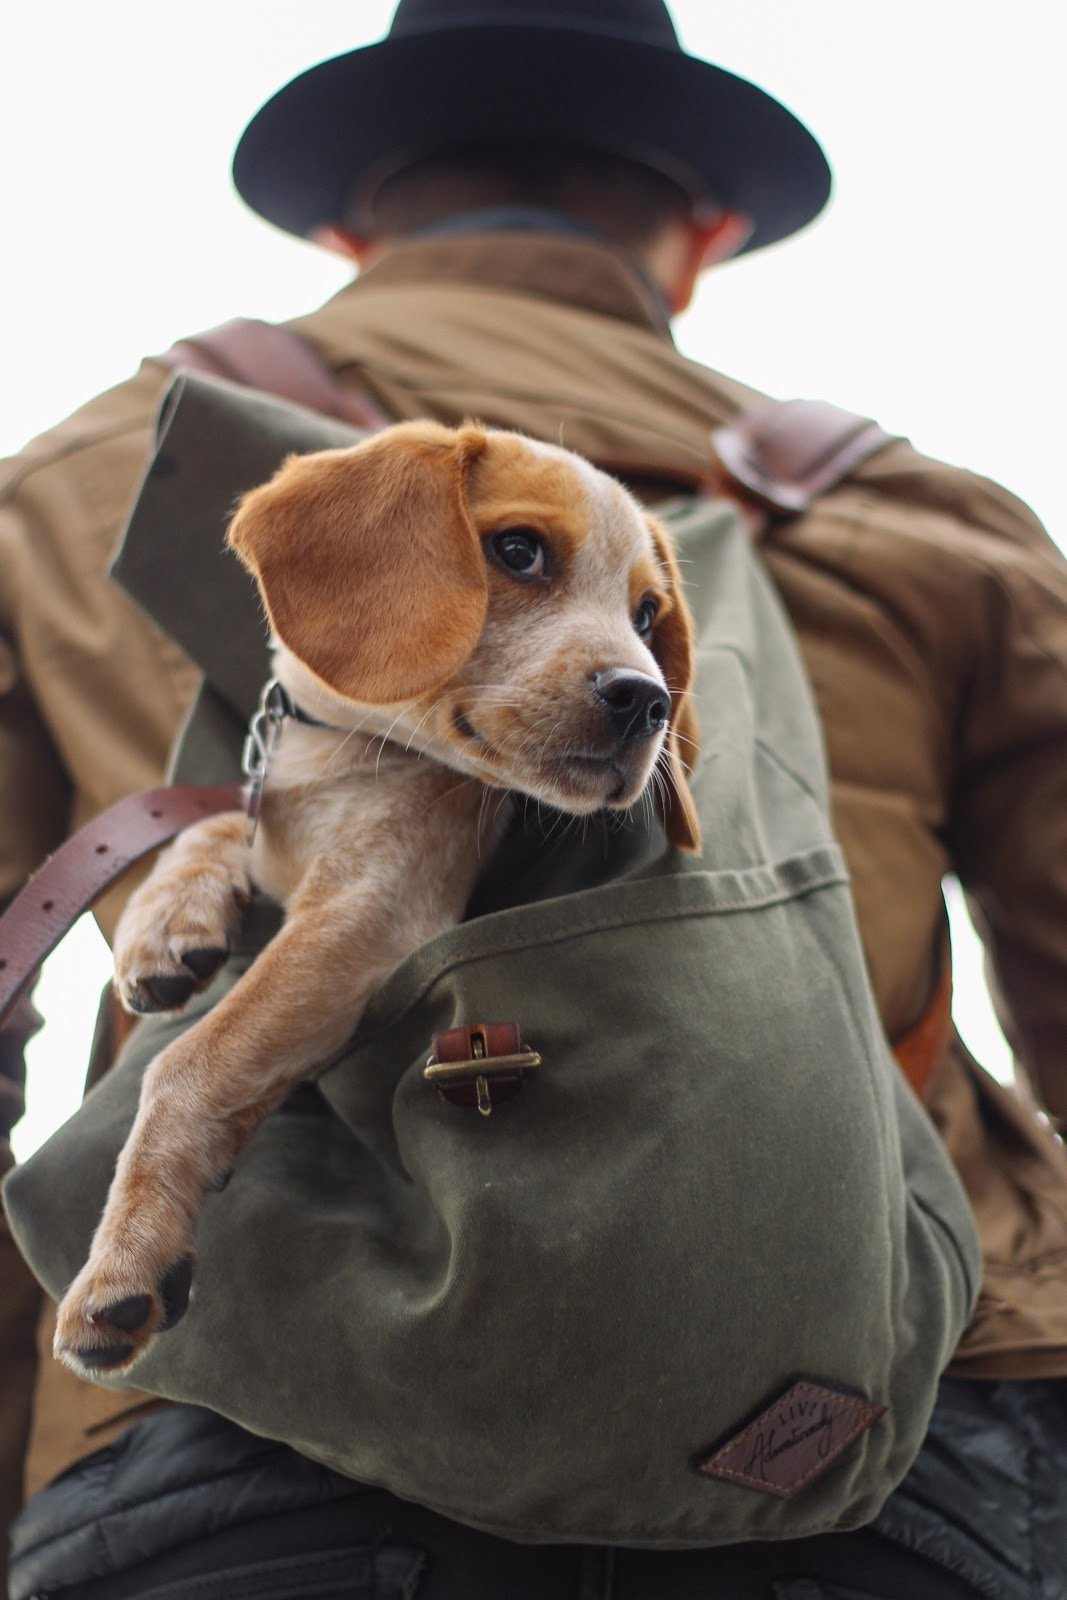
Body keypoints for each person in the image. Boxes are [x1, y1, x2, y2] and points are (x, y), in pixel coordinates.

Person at [2, 1, 1066, 1595]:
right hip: (869, 1440)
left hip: (236, 1426)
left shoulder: (90, 477)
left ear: (350, 223)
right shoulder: (934, 524)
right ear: (701, 238)